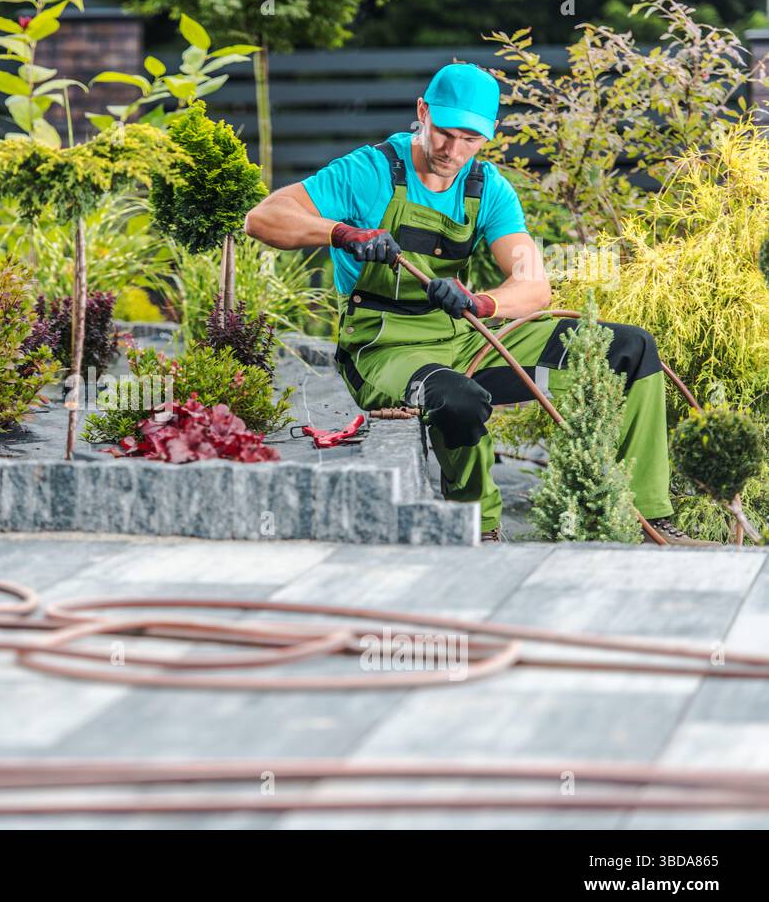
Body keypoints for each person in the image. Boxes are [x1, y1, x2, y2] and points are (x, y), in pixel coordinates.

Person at [243, 62, 713, 546]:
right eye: (444, 133)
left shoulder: (487, 188)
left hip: (468, 338)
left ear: (488, 136)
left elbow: (535, 286)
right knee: (457, 400)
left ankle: (649, 519)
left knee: (630, 349)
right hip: (385, 350)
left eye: (470, 139)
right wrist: (341, 233)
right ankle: (480, 528)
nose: (453, 151)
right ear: (421, 112)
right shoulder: (371, 171)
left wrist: (481, 301)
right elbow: (264, 218)